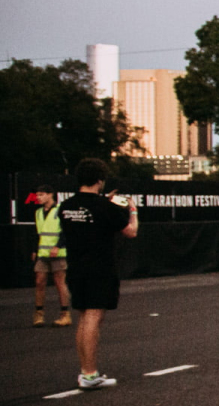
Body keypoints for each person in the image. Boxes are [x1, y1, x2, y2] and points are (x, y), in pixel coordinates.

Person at [58, 158, 138, 390]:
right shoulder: (105, 207)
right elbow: (131, 231)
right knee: (93, 316)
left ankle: (86, 371)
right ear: (100, 180)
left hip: (75, 267)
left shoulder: (67, 206)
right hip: (99, 268)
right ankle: (90, 374)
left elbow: (86, 215)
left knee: (84, 316)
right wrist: (131, 210)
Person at [31, 185, 72, 327]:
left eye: (41, 194)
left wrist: (58, 246)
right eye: (37, 195)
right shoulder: (38, 213)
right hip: (43, 253)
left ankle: (65, 314)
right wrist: (35, 249)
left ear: (50, 195)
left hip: (58, 253)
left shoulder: (60, 210)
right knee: (39, 282)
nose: (38, 197)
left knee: (59, 283)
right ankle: (39, 315)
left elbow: (66, 231)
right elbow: (38, 233)